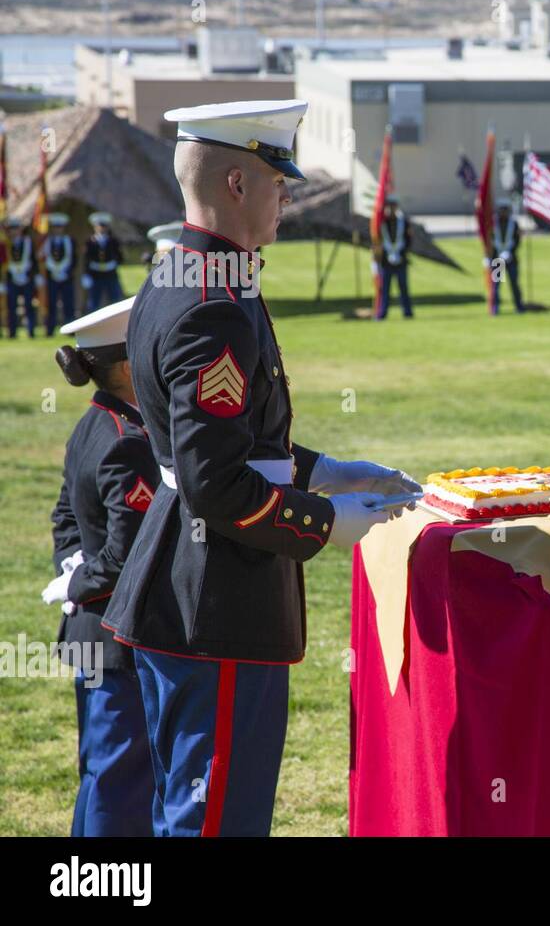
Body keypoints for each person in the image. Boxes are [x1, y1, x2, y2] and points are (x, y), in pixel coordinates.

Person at [102, 99, 418, 837]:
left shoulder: (187, 275)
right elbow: (214, 482)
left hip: (184, 586)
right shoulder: (212, 301)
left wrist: (325, 471)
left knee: (191, 807)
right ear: (238, 184)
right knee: (214, 818)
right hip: (215, 597)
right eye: (279, 181)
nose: (288, 197)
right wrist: (327, 525)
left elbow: (217, 442)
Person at [43, 296, 155, 836]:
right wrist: (78, 578)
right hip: (116, 634)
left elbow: (64, 514)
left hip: (92, 628)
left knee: (102, 771)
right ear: (131, 367)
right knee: (122, 778)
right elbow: (126, 554)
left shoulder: (96, 422)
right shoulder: (126, 440)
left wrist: (69, 568)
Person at [375, 194, 413, 319]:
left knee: (403, 288)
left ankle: (407, 312)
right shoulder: (381, 222)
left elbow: (408, 239)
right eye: (389, 207)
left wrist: (404, 253)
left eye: (393, 207)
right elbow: (377, 240)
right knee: (385, 289)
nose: (391, 209)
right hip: (386, 261)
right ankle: (382, 313)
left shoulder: (404, 222)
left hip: (401, 260)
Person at [42, 212, 79, 336]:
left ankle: (70, 331)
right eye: (55, 227)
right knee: (51, 304)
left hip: (67, 277)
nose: (58, 229)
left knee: (68, 304)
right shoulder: (47, 241)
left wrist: (68, 271)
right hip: (51, 278)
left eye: (60, 227)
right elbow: (43, 258)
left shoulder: (69, 240)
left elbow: (74, 258)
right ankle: (49, 330)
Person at [83, 212, 124, 313]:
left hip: (111, 274)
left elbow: (119, 257)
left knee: (116, 300)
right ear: (95, 227)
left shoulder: (113, 241)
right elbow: (86, 259)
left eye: (104, 226)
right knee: (93, 303)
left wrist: (114, 264)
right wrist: (86, 274)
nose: (102, 228)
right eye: (99, 226)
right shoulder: (90, 242)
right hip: (95, 275)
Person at [5, 217, 38, 338]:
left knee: (29, 306)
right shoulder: (5, 243)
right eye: (11, 229)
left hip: (27, 278)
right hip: (11, 279)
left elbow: (34, 259)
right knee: (11, 306)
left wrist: (36, 274)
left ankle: (31, 331)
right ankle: (12, 332)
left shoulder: (28, 241)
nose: (14, 231)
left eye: (16, 228)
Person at [491, 200, 525, 314]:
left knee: (514, 283)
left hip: (511, 258)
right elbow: (489, 239)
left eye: (505, 210)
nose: (503, 213)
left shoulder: (513, 224)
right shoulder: (492, 224)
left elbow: (517, 240)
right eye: (502, 210)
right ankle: (495, 308)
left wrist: (510, 251)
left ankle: (519, 306)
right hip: (497, 259)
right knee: (496, 285)